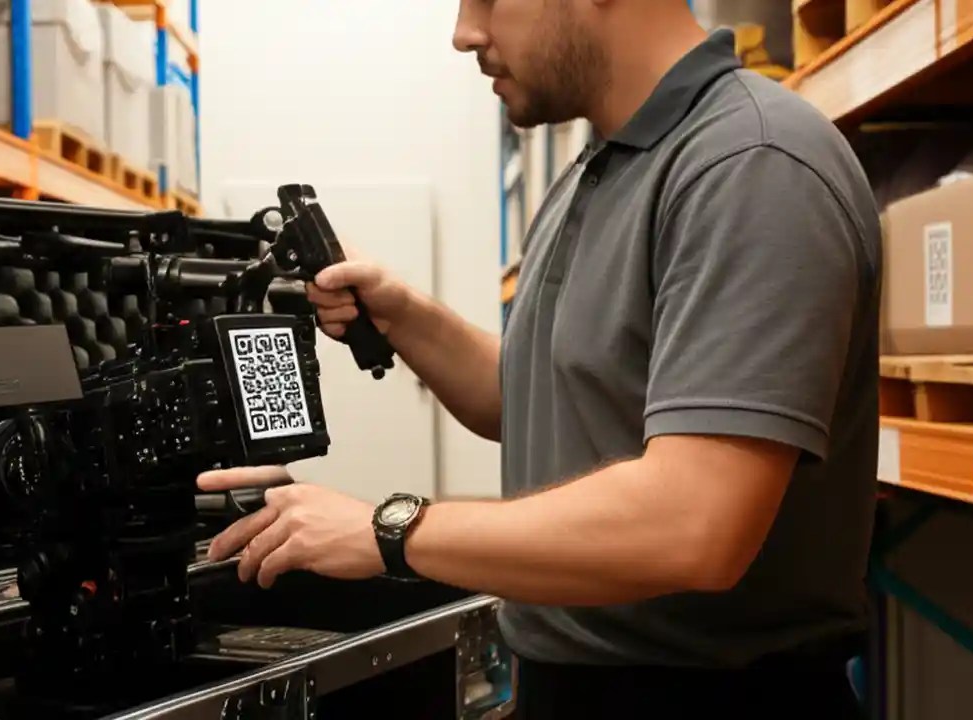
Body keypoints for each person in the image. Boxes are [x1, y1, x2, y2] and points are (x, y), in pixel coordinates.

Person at [198, 1, 881, 717]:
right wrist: (407, 318)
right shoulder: (601, 166)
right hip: (576, 685)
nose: (464, 33)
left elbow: (693, 522)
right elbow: (543, 401)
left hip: (710, 697)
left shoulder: (751, 164)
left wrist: (389, 531)